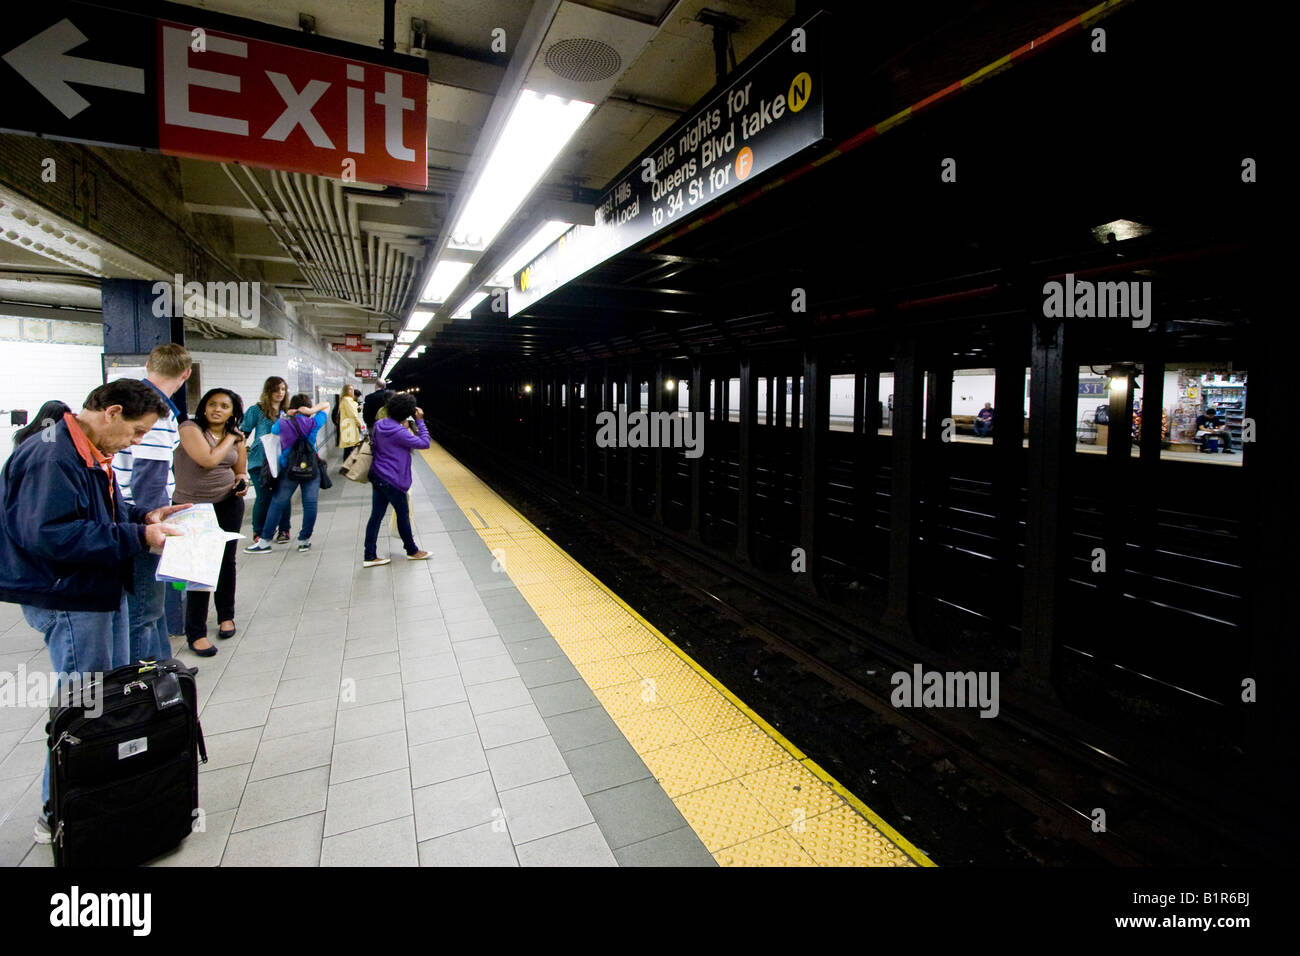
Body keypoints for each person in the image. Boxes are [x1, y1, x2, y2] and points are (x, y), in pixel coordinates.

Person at [0, 379, 190, 843]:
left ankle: (107, 786)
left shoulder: (86, 450)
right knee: (85, 705)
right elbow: (50, 535)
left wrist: (145, 516)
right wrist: (137, 539)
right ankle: (60, 808)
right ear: (112, 412)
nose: (136, 442)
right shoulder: (52, 456)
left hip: (98, 587)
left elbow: (102, 514)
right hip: (70, 597)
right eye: (137, 431)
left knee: (108, 695)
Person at [110, 343, 192, 665]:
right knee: (144, 608)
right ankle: (141, 688)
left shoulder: (132, 401)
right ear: (186, 374)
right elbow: (150, 476)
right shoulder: (156, 411)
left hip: (128, 513)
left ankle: (165, 667)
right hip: (140, 520)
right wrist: (153, 528)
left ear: (148, 365)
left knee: (153, 607)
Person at [174, 388, 250, 656]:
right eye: (212, 404)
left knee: (226, 561)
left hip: (228, 502)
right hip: (193, 507)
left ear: (233, 412)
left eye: (224, 406)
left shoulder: (236, 437)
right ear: (204, 407)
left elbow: (239, 469)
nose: (217, 409)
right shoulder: (189, 428)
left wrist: (242, 480)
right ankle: (196, 632)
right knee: (199, 567)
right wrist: (230, 438)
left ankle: (226, 616)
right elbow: (207, 460)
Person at [245, 394, 330, 554]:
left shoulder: (283, 423)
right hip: (311, 468)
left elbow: (273, 431)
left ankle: (264, 542)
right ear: (307, 407)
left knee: (277, 503)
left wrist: (287, 415)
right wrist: (312, 410)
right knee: (310, 504)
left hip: (288, 469)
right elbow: (326, 406)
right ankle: (304, 541)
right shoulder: (313, 422)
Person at [363, 393, 430, 567]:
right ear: (408, 413)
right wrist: (420, 421)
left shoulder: (379, 424)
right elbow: (424, 443)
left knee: (375, 517)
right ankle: (412, 550)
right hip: (393, 479)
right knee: (403, 514)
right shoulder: (399, 431)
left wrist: (403, 424)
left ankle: (369, 555)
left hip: (378, 474)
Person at [240, 376, 293, 544]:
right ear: (268, 391)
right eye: (276, 389)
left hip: (282, 460)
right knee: (263, 496)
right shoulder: (256, 410)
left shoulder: (288, 412)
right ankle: (259, 531)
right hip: (259, 460)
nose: (280, 393)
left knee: (283, 495)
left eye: (283, 389)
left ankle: (284, 529)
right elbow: (243, 434)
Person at [338, 384, 364, 470]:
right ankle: (346, 466)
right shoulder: (347, 400)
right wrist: (359, 424)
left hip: (347, 426)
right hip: (349, 427)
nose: (352, 391)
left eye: (352, 390)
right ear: (346, 391)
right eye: (350, 390)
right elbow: (353, 414)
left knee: (349, 448)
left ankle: (347, 465)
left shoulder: (345, 400)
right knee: (349, 448)